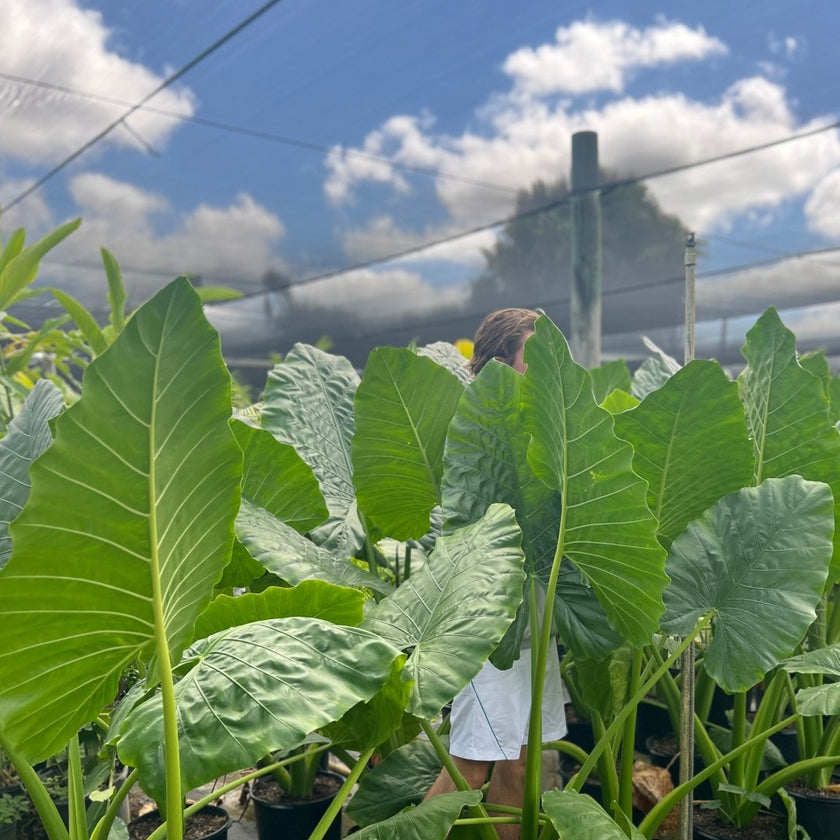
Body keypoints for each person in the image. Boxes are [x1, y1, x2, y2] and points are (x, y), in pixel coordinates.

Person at [424, 308, 567, 840]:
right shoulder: (482, 424)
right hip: (491, 628)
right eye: (536, 355)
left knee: (520, 761)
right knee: (470, 765)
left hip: (536, 625)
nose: (547, 368)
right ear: (503, 361)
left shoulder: (550, 424)